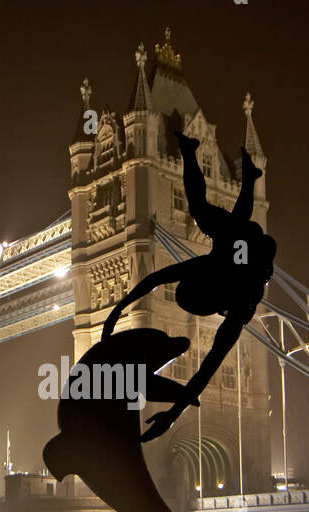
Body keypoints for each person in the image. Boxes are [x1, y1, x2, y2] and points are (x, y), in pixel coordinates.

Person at [102, 132, 277, 442]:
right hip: (248, 249)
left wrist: (116, 312)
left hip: (246, 246)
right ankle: (230, 169)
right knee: (208, 213)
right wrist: (117, 311)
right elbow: (155, 281)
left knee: (210, 214)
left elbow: (203, 370)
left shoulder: (226, 292)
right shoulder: (233, 299)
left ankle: (243, 175)